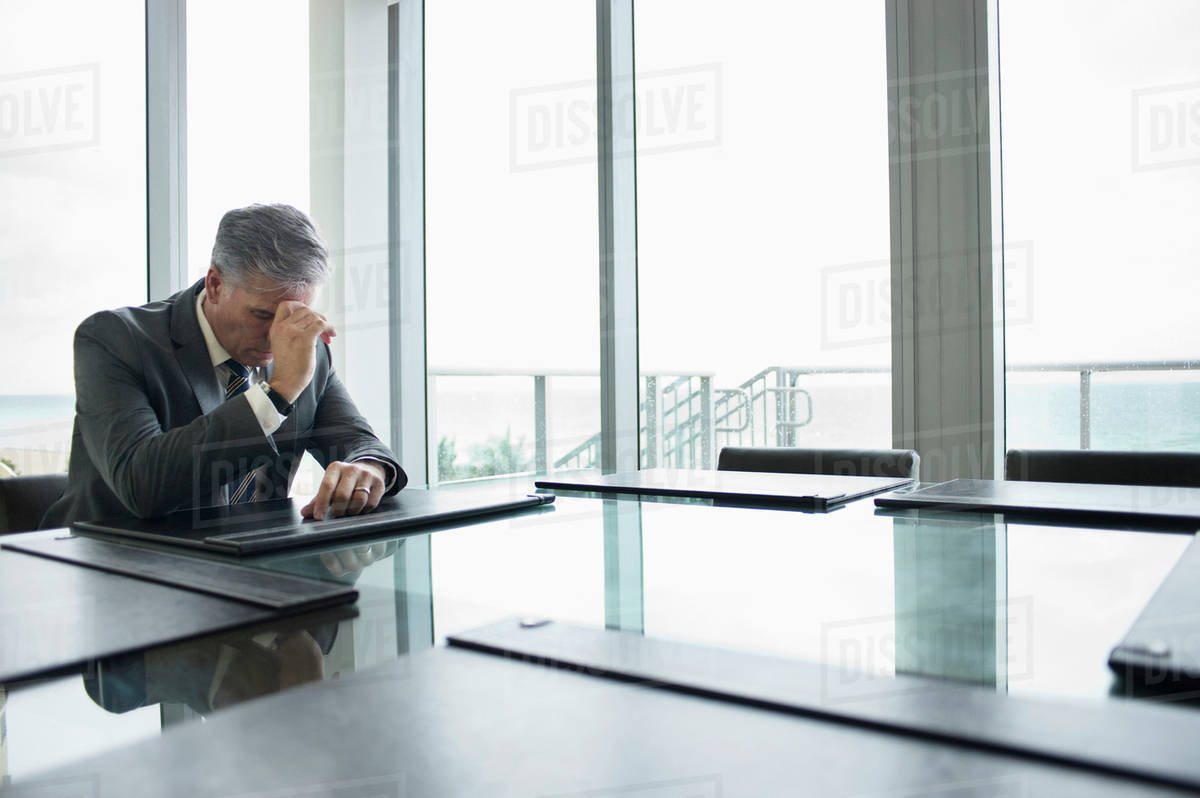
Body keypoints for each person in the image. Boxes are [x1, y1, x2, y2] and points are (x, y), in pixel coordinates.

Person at [41, 204, 405, 528]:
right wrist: (277, 394)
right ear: (215, 284)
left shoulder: (303, 347)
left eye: (295, 314)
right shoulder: (115, 339)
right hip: (109, 566)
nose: (277, 336)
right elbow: (141, 487)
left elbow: (359, 444)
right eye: (262, 314)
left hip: (243, 566)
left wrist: (369, 469)